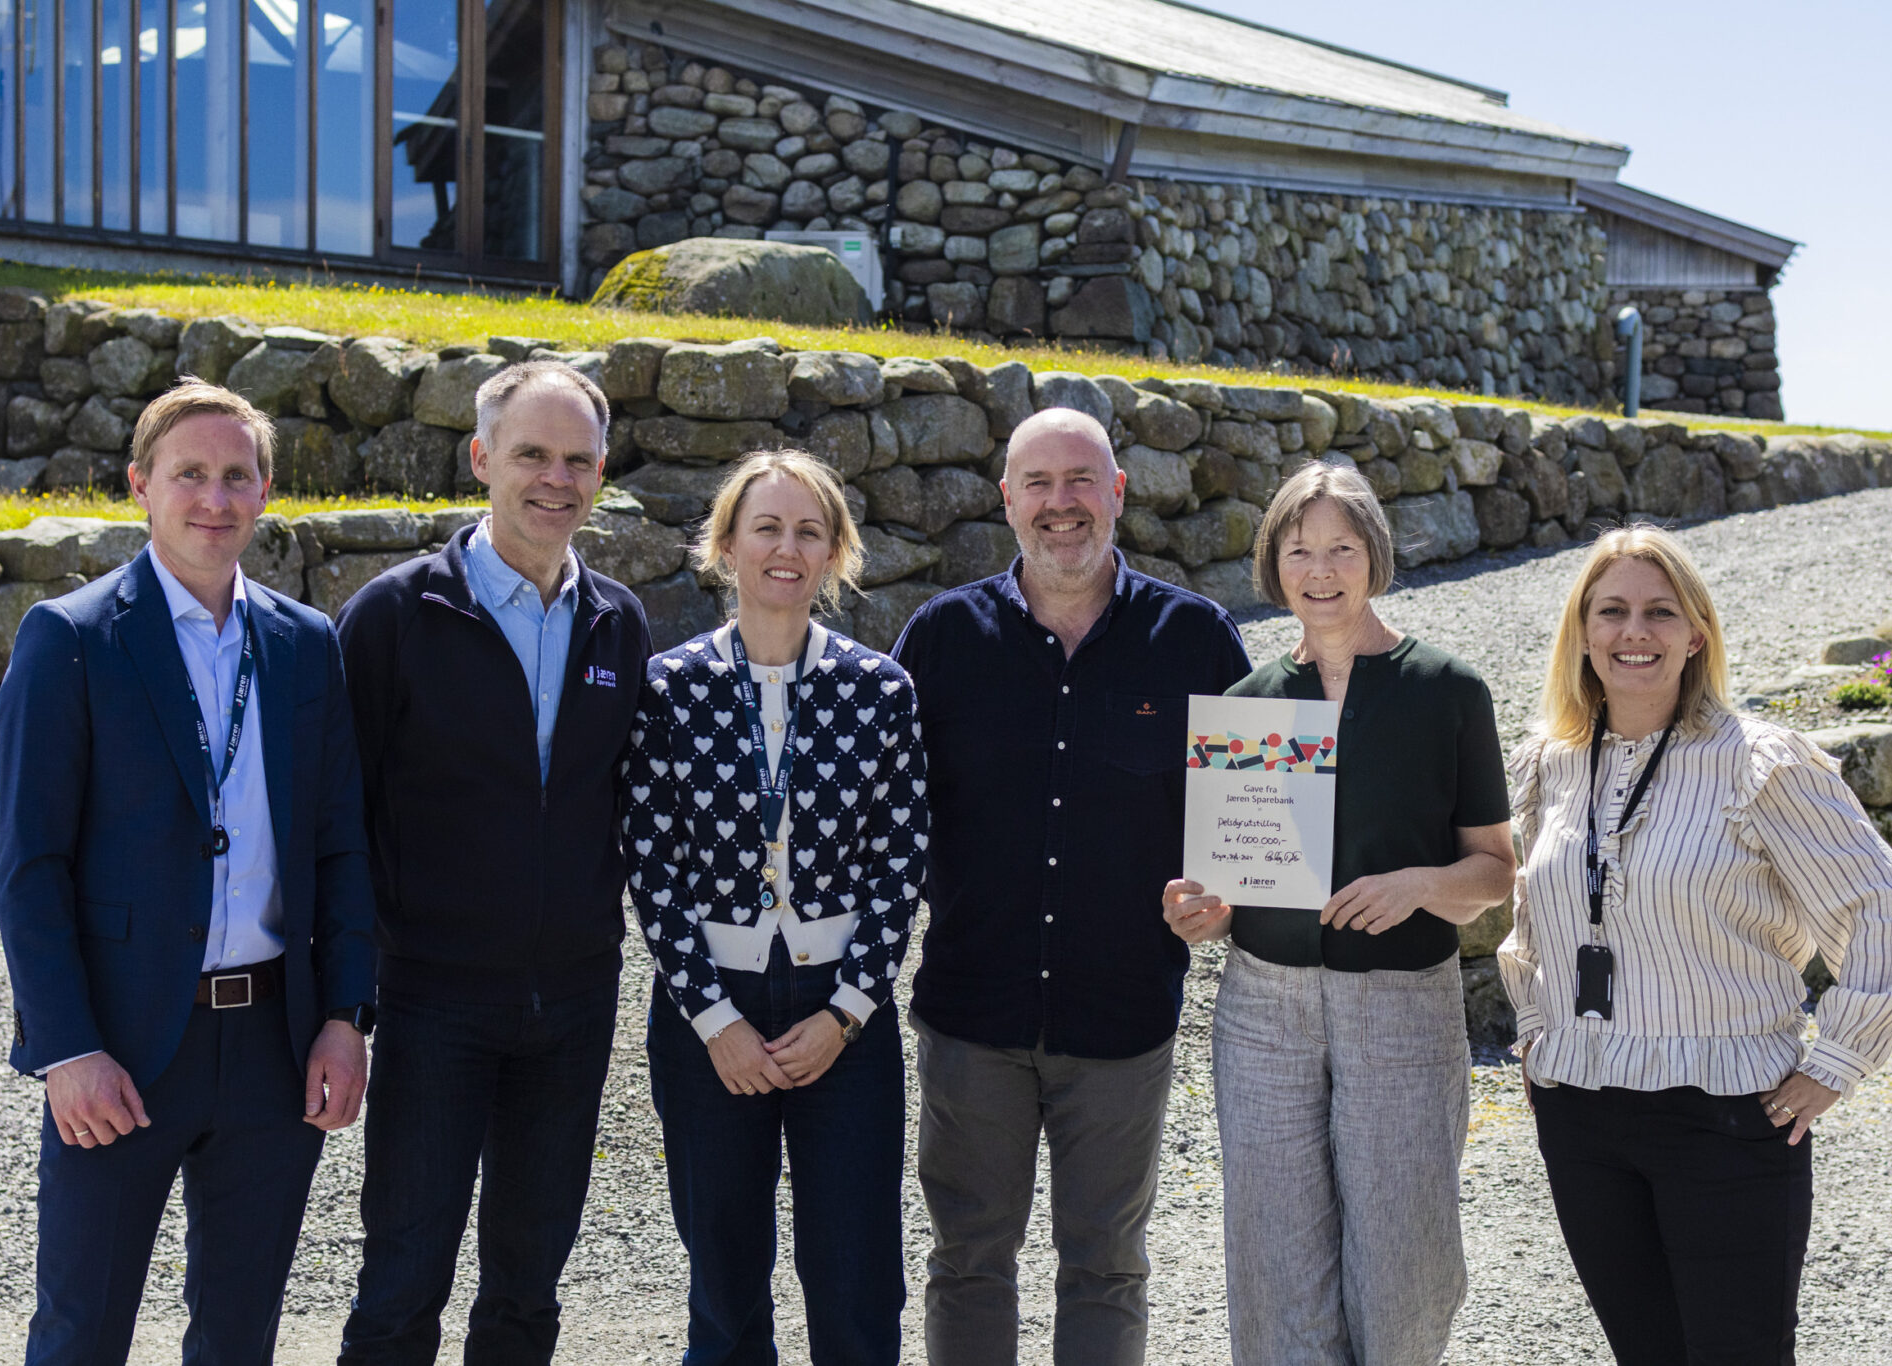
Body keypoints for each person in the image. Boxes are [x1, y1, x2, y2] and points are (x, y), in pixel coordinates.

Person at [0, 380, 376, 1365]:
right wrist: (65, 1048)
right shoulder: (71, 639)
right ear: (140, 486)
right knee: (81, 1330)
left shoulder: (302, 645)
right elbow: (30, 870)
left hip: (273, 1045)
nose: (215, 498)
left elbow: (340, 847)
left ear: (265, 491)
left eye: (236, 476)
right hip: (120, 1049)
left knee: (239, 1334)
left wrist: (344, 1015)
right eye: (190, 474)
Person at [1497, 524, 1892, 1365]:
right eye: (1612, 610)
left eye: (1660, 612)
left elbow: (1886, 907)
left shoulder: (1760, 763)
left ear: (1696, 633)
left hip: (1725, 1115)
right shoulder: (1548, 763)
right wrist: (1534, 1033)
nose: (1635, 633)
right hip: (1582, 1114)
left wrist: (1836, 1064)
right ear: (1583, 632)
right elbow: (1532, 917)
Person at [891, 408, 1251, 1366]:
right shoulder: (939, 639)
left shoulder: (1199, 642)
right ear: (1006, 500)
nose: (1062, 504)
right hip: (973, 1017)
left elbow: (1249, 826)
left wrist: (1223, 902)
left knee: (1106, 1265)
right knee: (968, 1260)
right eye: (1039, 483)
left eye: (1082, 480)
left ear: (1119, 494)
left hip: (1123, 1020)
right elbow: (887, 817)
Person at [1163, 460, 1515, 1366]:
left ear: (1376, 557)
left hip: (1401, 1005)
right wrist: (1203, 910)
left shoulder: (1448, 691)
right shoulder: (1246, 709)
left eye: (1341, 549)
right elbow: (1224, 879)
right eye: (1299, 549)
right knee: (1275, 1265)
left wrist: (1420, 886)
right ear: (1274, 564)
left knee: (1406, 1264)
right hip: (1262, 1010)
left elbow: (1495, 871)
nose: (1320, 570)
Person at [334, 361, 652, 1364]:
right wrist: (346, 1004)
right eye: (531, 455)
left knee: (527, 1292)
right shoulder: (392, 617)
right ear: (481, 459)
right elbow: (338, 826)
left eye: (576, 459)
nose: (554, 479)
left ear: (599, 474)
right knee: (400, 1284)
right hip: (434, 1001)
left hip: (570, 1003)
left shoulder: (619, 622)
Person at [622, 449, 927, 1365]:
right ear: (724, 545)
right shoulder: (669, 688)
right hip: (709, 1019)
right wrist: (714, 1021)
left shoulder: (879, 690)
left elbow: (899, 862)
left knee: (857, 1281)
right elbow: (652, 864)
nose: (785, 549)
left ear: (836, 553)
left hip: (844, 1016)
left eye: (808, 531)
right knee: (722, 1284)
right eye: (766, 527)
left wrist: (848, 1012)